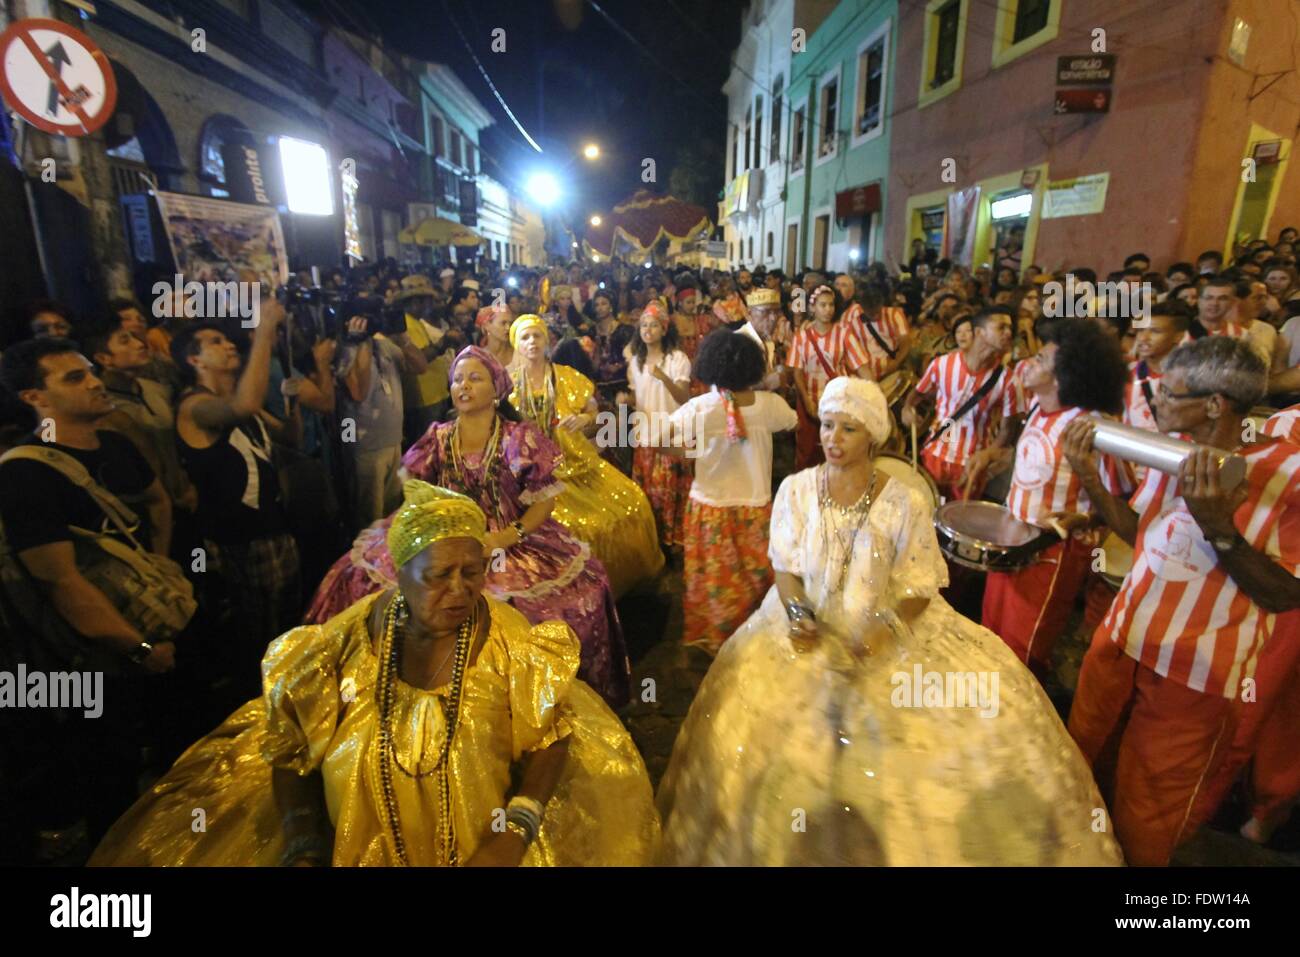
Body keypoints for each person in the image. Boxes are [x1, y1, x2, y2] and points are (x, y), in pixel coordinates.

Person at [656, 376, 1122, 865]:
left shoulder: (905, 503)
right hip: (800, 632)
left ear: (873, 437)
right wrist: (797, 612)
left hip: (893, 635)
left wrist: (881, 634)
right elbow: (786, 567)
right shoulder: (795, 491)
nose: (834, 439)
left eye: (849, 430)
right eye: (830, 426)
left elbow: (921, 587)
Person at [89, 482, 660, 866]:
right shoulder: (340, 646)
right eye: (438, 575)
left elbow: (550, 736)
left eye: (473, 571)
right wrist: (304, 837)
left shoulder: (511, 642)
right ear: (399, 574)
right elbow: (292, 750)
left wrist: (515, 829)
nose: (459, 589)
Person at [1063, 337, 1300, 865]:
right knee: (1079, 764)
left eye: (1169, 394)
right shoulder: (1171, 448)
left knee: (1147, 809)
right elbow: (1140, 531)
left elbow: (1286, 594)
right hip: (1123, 640)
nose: (1156, 403)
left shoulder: (1288, 471)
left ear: (1214, 404)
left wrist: (1219, 526)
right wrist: (1088, 476)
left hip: (1195, 675)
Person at [307, 346, 632, 706]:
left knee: (564, 602)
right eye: (457, 379)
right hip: (446, 538)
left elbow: (544, 500)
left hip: (509, 540)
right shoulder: (439, 437)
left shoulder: (517, 437)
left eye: (475, 378)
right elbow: (409, 480)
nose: (463, 386)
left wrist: (507, 536)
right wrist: (428, 515)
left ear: (497, 388)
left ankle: (522, 705)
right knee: (359, 581)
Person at [0, 337, 177, 844]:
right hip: (89, 658)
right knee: (111, 777)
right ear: (36, 397)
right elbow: (62, 583)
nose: (95, 381)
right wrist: (140, 648)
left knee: (172, 753)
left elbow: (157, 499)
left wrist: (159, 570)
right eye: (73, 378)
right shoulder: (25, 475)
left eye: (89, 371)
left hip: (151, 628)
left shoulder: (116, 444)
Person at [978, 319, 1131, 678]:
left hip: (1049, 554)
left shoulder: (1092, 426)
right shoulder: (1036, 408)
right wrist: (991, 456)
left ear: (1063, 376)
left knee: (1022, 652)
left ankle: (1016, 726)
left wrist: (1087, 519)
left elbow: (1124, 493)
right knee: (989, 636)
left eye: (1040, 360)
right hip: (1009, 540)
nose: (1029, 363)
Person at [172, 298, 301, 691]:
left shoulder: (245, 409)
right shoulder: (196, 407)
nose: (229, 345)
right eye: (214, 342)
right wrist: (264, 331)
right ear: (194, 361)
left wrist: (292, 400)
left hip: (275, 529)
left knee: (286, 627)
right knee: (258, 638)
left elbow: (290, 438)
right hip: (239, 542)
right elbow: (244, 403)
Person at [509, 314, 663, 598]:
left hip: (576, 462)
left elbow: (592, 411)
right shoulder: (508, 386)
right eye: (525, 337)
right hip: (533, 473)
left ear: (547, 340)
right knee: (576, 528)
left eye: (537, 336)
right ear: (516, 344)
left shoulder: (566, 377)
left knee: (632, 503)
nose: (532, 342)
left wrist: (583, 419)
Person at [667, 332, 797, 654]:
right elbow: (793, 423)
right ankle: (756, 638)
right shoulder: (771, 406)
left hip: (709, 507)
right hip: (755, 508)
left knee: (715, 582)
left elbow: (659, 438)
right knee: (756, 579)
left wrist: (688, 454)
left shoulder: (699, 408)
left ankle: (717, 645)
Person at [86, 318, 197, 520]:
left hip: (183, 498)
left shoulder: (156, 389)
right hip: (146, 509)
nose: (139, 344)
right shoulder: (100, 408)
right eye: (125, 341)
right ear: (104, 358)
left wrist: (187, 485)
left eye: (135, 338)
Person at [902, 308, 1013, 501]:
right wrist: (907, 409)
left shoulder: (1009, 380)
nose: (1009, 333)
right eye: (1001, 327)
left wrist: (986, 456)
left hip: (971, 466)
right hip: (934, 456)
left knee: (956, 525)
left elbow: (1006, 432)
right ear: (979, 332)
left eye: (1010, 328)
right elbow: (916, 395)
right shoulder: (942, 364)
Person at [626, 304, 692, 554]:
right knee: (648, 493)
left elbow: (684, 397)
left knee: (668, 491)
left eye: (653, 325)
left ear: (664, 329)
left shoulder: (677, 359)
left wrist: (664, 377)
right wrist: (627, 401)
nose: (647, 330)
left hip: (671, 434)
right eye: (644, 325)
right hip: (645, 435)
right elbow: (639, 396)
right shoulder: (636, 361)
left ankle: (671, 543)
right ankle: (650, 540)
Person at [788, 285, 871, 468]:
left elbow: (861, 365)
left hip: (838, 402)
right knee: (807, 452)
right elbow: (797, 372)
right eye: (823, 305)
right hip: (809, 401)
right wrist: (807, 400)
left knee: (837, 449)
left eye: (831, 305)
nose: (828, 310)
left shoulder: (844, 334)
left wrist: (874, 391)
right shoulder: (801, 337)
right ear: (812, 308)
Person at [1122, 302, 1192, 484]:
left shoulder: (1193, 379)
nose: (1143, 338)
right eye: (1140, 330)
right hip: (1137, 474)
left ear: (1178, 336)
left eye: (1155, 331)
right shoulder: (1126, 375)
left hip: (1178, 473)